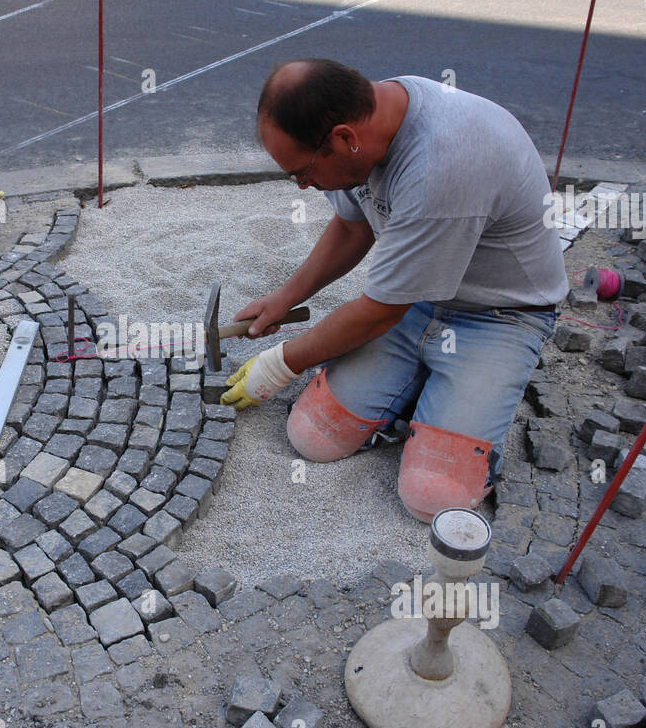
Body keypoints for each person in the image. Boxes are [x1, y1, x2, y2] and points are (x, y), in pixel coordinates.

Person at [220, 58, 568, 522]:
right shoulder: (365, 129)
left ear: (343, 138)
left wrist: (282, 362)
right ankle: (425, 391)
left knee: (433, 497)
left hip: (500, 315)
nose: (303, 186)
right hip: (419, 301)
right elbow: (351, 226)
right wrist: (286, 298)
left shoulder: (443, 163)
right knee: (313, 436)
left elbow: (380, 311)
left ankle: (450, 392)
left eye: (301, 172)